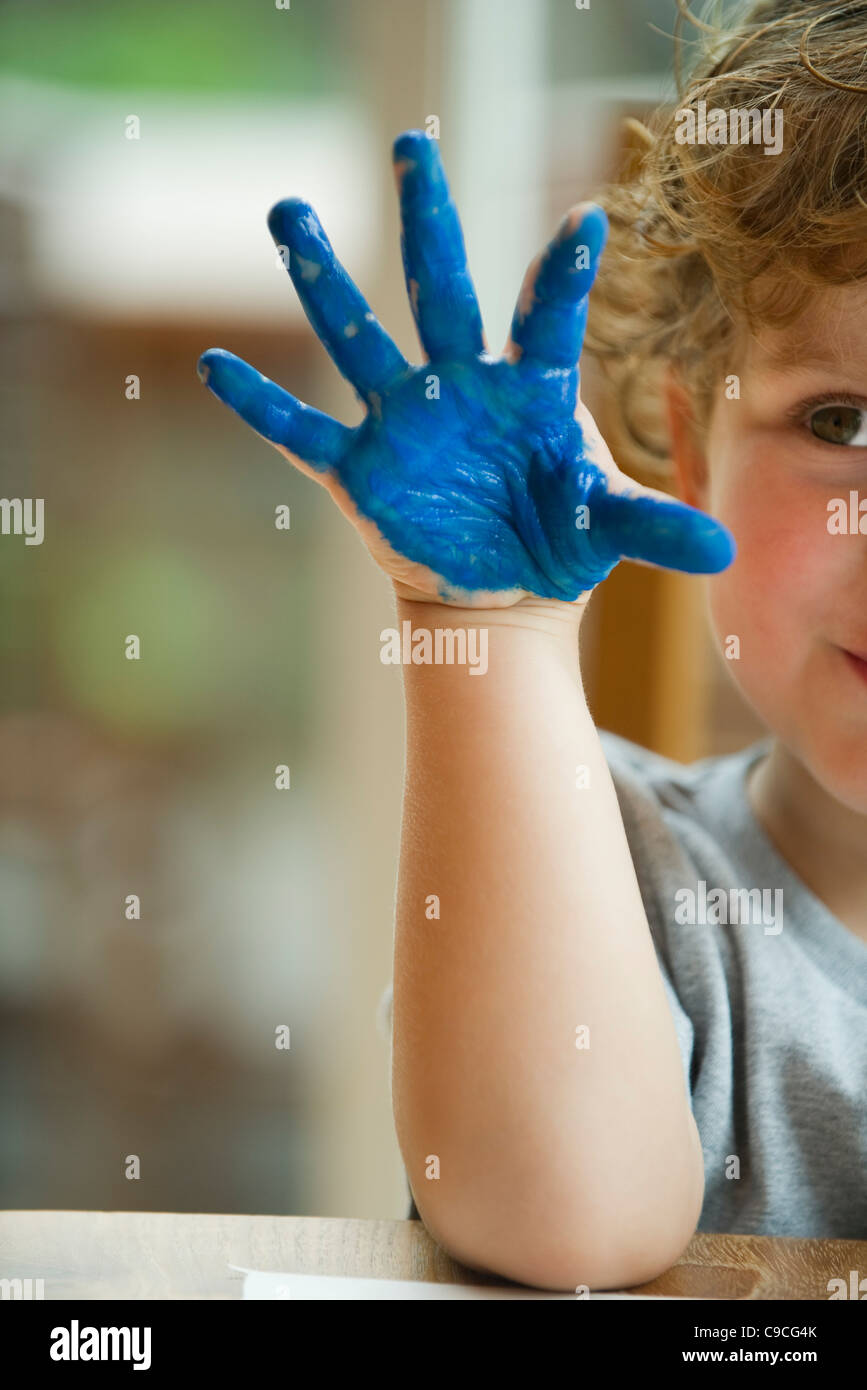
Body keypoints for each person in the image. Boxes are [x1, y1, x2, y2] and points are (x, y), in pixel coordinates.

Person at [198, 0, 867, 1292]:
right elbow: (560, 1215)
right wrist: (486, 625)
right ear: (690, 446)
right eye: (840, 419)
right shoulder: (609, 873)